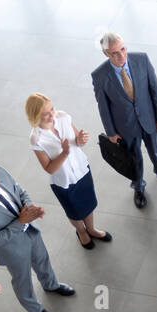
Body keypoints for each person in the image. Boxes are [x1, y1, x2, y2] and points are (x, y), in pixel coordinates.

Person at [0, 157, 75, 312]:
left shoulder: (1, 172)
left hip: (31, 230)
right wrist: (21, 221)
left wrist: (30, 209)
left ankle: (51, 285)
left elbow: (21, 192)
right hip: (12, 249)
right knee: (23, 280)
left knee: (43, 260)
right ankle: (35, 309)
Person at [91, 31, 157, 209]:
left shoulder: (142, 60)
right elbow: (103, 107)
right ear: (106, 54)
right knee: (134, 158)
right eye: (115, 53)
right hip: (125, 126)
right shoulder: (100, 76)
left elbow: (154, 88)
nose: (121, 56)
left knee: (155, 149)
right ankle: (139, 186)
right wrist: (111, 132)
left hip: (148, 117)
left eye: (123, 49)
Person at [25, 93, 111, 250]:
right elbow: (49, 168)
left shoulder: (63, 117)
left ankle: (91, 229)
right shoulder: (36, 138)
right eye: (46, 113)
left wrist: (81, 139)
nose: (52, 114)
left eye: (52, 109)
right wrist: (64, 153)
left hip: (81, 170)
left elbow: (77, 140)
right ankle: (81, 231)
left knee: (88, 203)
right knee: (74, 211)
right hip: (63, 181)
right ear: (35, 115)